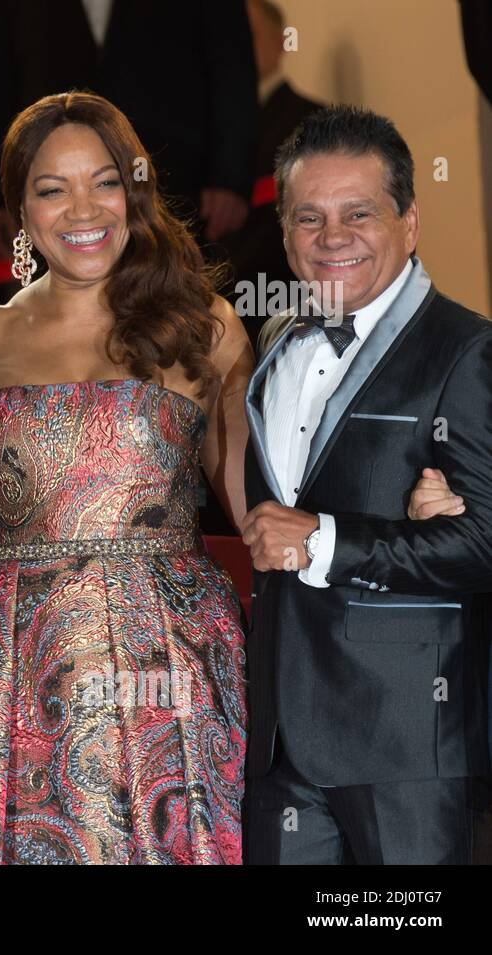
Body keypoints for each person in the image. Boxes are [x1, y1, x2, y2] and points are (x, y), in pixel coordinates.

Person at [0, 92, 252, 864]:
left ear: (136, 190)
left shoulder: (206, 328)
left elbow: (260, 506)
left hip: (174, 668)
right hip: (27, 676)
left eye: (104, 182)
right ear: (20, 212)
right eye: (52, 189)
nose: (82, 209)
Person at [240, 105, 492, 864]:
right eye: (308, 217)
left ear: (408, 223)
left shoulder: (467, 350)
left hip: (405, 741)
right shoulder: (276, 340)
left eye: (359, 213)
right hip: (280, 743)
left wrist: (323, 540)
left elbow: (484, 541)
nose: (332, 237)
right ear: (285, 232)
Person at [0, 0, 256, 271]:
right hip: (44, 184)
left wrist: (229, 177)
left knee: (175, 295)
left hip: (176, 181)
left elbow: (231, 61)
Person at [220, 0, 324, 348]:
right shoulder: (208, 135)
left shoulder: (312, 122)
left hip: (287, 311)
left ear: (281, 42)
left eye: (249, 36)